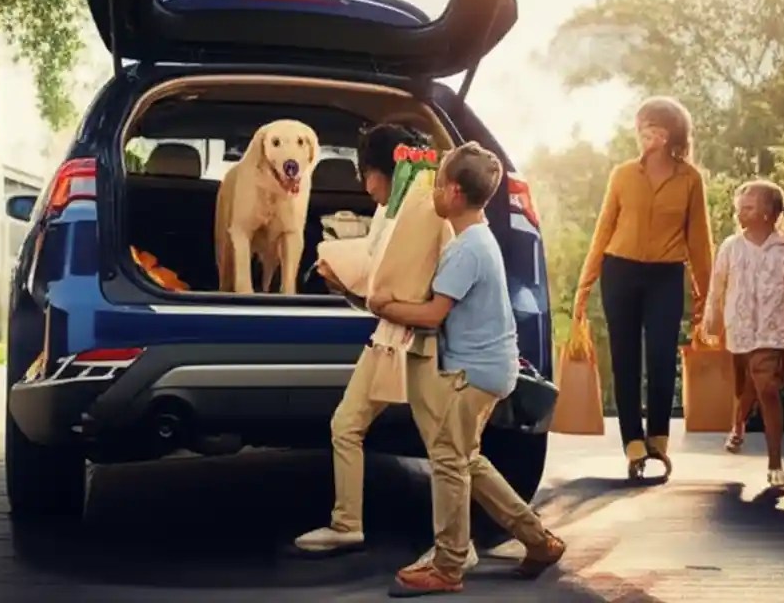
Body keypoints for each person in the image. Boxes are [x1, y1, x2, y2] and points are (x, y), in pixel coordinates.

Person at [369, 142, 565, 596]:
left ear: (454, 192)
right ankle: (539, 541)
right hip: (493, 368)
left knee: (448, 462)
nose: (433, 192)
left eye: (437, 184)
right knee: (467, 458)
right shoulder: (481, 237)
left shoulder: (465, 251)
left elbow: (433, 314)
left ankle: (449, 564)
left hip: (474, 374)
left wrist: (383, 303)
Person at [295, 123, 481, 570]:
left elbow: (421, 282)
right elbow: (379, 286)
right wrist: (345, 279)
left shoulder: (426, 205)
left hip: (423, 342)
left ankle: (477, 541)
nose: (365, 186)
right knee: (347, 423)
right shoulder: (394, 208)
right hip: (387, 336)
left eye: (367, 175)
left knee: (449, 449)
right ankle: (347, 523)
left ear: (379, 171)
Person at [573, 96, 714, 480]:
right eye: (643, 125)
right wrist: (584, 288)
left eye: (654, 126)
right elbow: (603, 229)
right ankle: (632, 442)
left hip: (666, 276)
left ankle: (659, 440)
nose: (646, 133)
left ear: (672, 134)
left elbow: (700, 241)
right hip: (619, 271)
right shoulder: (622, 174)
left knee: (662, 358)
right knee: (625, 357)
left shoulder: (690, 180)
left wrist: (709, 298)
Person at [702, 180, 784, 489]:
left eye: (749, 207)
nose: (741, 213)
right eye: (739, 207)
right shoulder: (730, 248)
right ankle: (739, 422)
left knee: (767, 386)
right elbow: (717, 289)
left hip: (772, 331)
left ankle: (775, 464)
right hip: (739, 328)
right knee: (746, 388)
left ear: (769, 213)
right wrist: (711, 324)